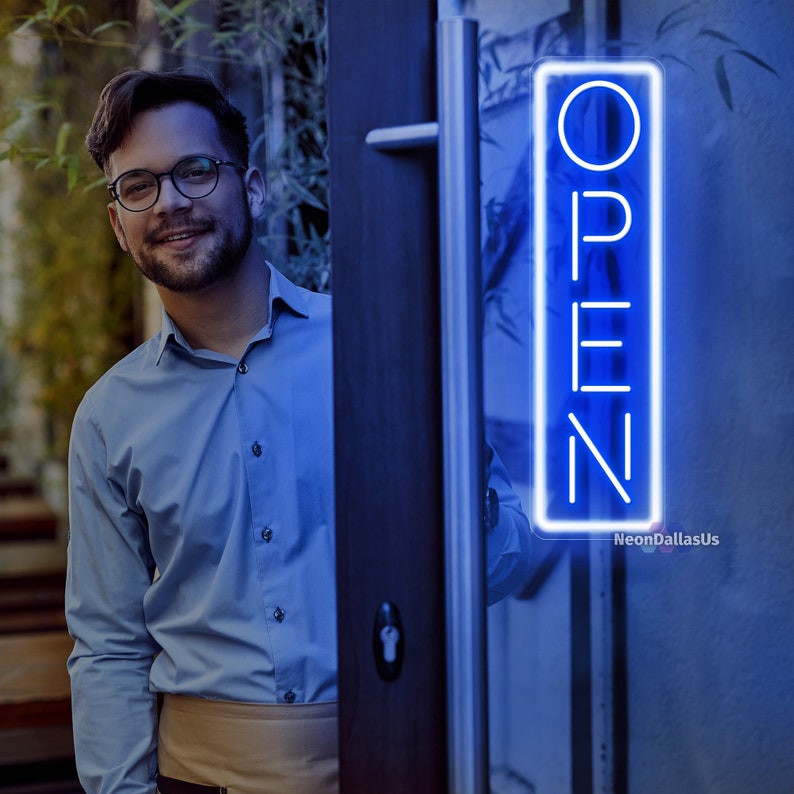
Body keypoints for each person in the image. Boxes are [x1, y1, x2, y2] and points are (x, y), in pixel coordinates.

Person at [65, 67, 532, 794]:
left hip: (394, 757)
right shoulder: (108, 416)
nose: (172, 203)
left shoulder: (379, 350)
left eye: (195, 170)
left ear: (251, 186)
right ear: (119, 223)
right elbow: (107, 646)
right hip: (197, 778)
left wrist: (450, 449)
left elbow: (503, 567)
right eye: (139, 186)